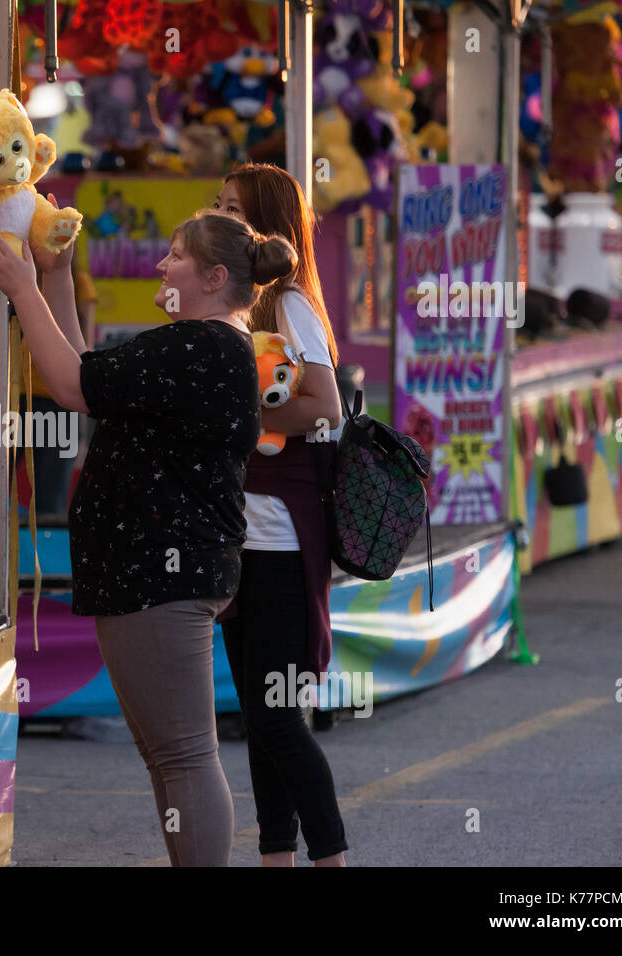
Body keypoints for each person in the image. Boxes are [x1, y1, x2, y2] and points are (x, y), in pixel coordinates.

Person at [0, 207, 297, 866]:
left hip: (161, 574)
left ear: (212, 276)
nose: (160, 264)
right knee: (171, 757)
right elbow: (83, 376)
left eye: (175, 255)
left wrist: (23, 287)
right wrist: (58, 276)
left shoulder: (199, 344)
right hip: (155, 571)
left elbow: (70, 383)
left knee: (182, 755)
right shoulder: (199, 342)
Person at [213, 163, 349, 866]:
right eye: (219, 206)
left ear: (268, 221)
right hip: (244, 533)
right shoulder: (244, 305)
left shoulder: (289, 303)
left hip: (279, 536)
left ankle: (330, 857)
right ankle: (277, 856)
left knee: (274, 717)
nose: (224, 218)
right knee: (263, 720)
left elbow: (323, 406)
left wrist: (243, 421)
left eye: (235, 208)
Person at [0, 197, 99, 514]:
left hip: (59, 399)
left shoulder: (79, 282)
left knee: (49, 498)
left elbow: (84, 345)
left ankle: (43, 563)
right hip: (6, 397)